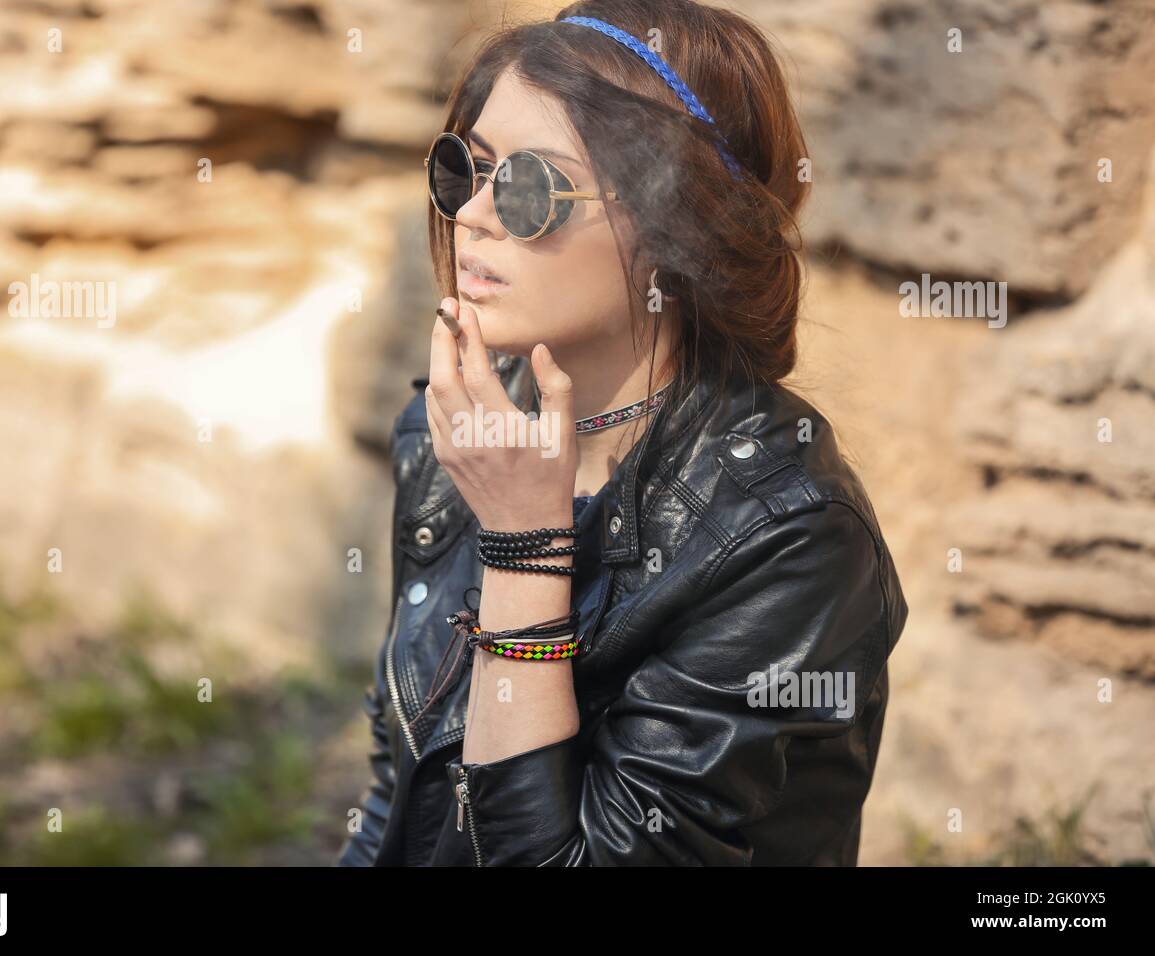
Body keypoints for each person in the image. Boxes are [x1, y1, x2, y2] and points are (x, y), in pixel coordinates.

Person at [336, 0, 908, 866]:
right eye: (466, 169)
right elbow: (397, 792)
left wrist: (525, 548)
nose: (475, 214)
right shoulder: (457, 432)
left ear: (686, 226)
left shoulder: (789, 540)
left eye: (533, 187)